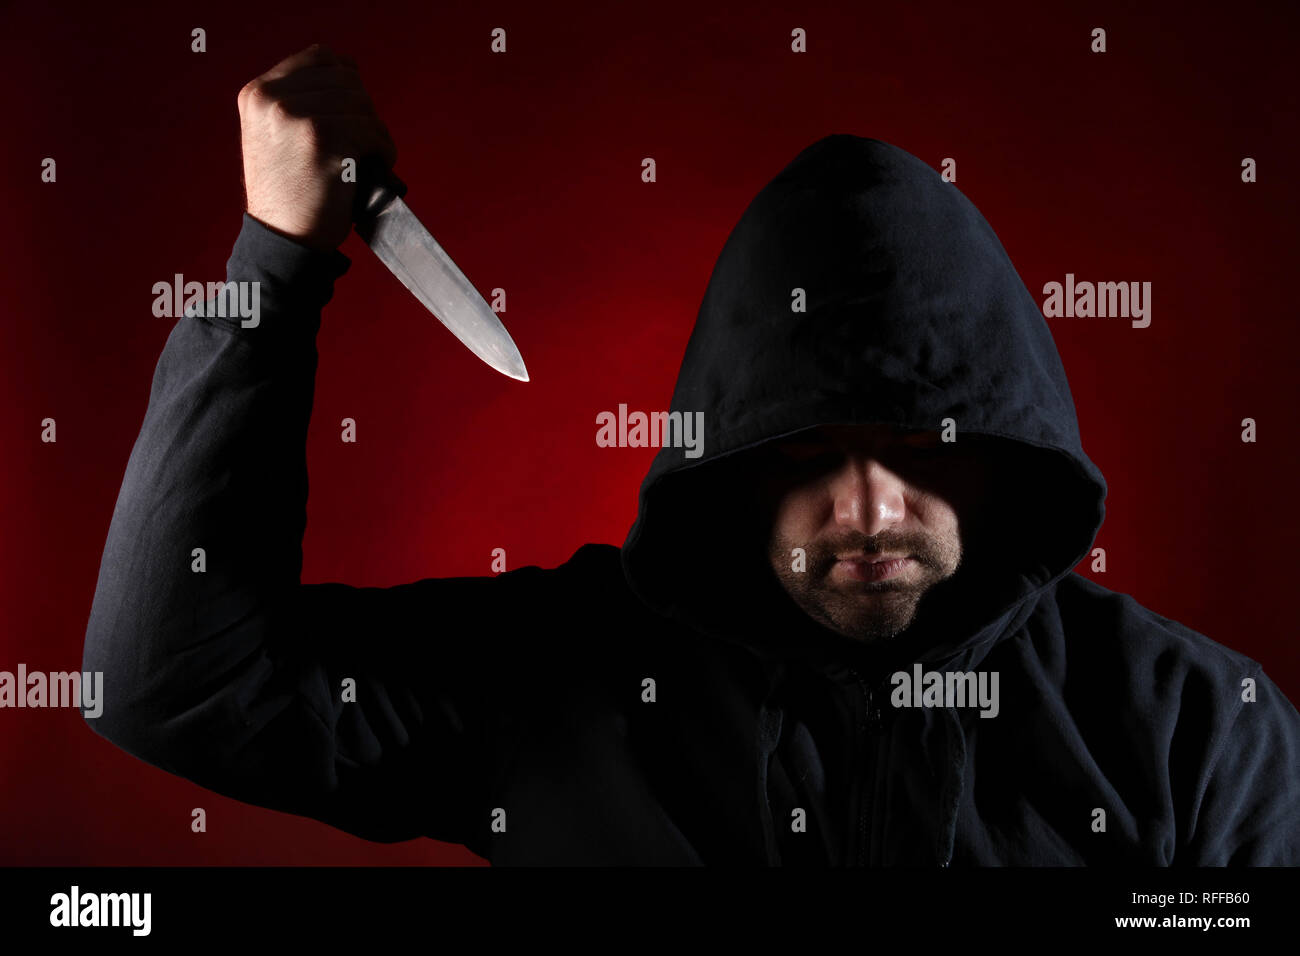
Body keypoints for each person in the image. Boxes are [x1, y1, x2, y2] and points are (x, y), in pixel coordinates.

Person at [82, 44, 1300, 865]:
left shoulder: (1198, 730)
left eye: (919, 447)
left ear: (998, 451)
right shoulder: (550, 678)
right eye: (813, 449)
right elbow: (171, 682)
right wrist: (276, 258)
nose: (868, 504)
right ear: (737, 458)